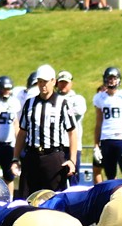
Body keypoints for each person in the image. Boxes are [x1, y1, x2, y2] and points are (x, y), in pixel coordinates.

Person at [17, 64, 82, 194]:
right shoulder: (29, 103)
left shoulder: (63, 103)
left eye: (45, 82)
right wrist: (15, 158)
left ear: (53, 81)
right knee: (25, 199)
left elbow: (72, 132)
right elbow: (22, 132)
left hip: (53, 156)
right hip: (32, 156)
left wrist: (72, 160)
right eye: (40, 82)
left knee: (55, 199)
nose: (43, 85)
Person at [92, 68, 122, 181]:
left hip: (121, 138)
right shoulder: (100, 98)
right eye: (109, 78)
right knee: (110, 175)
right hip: (106, 138)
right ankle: (113, 197)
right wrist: (96, 146)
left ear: (118, 80)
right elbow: (98, 123)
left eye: (114, 78)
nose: (111, 81)